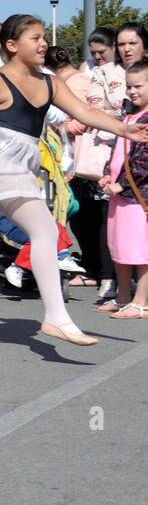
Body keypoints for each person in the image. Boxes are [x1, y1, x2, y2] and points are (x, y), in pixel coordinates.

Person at [0, 14, 148, 346]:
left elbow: (85, 112)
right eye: (34, 38)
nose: (43, 43)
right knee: (44, 229)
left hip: (17, 166)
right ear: (11, 45)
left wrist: (125, 128)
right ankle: (56, 317)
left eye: (43, 37)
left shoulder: (49, 82)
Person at [68, 28, 124, 294]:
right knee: (80, 212)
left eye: (102, 52)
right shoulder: (88, 68)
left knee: (105, 215)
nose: (97, 57)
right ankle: (92, 266)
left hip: (111, 144)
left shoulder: (123, 72)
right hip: (86, 148)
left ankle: (107, 274)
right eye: (93, 52)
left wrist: (97, 113)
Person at [97, 60, 148, 319]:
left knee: (141, 249)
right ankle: (123, 296)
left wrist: (123, 183)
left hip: (139, 196)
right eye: (129, 86)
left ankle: (141, 303)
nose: (132, 91)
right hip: (119, 194)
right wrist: (108, 174)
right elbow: (117, 150)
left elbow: (144, 161)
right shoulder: (128, 115)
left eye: (138, 85)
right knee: (120, 247)